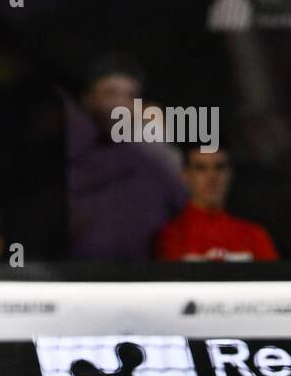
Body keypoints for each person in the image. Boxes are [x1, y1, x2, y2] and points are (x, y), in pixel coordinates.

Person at [65, 53, 187, 261]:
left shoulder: (152, 156)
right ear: (88, 99)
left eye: (130, 96)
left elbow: (188, 209)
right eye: (111, 93)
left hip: (147, 280)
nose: (120, 104)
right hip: (81, 281)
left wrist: (159, 146)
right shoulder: (71, 155)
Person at [155, 142, 278, 261]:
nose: (212, 177)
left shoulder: (255, 236)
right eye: (201, 168)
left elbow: (274, 281)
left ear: (230, 173)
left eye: (219, 167)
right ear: (186, 175)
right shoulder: (169, 238)